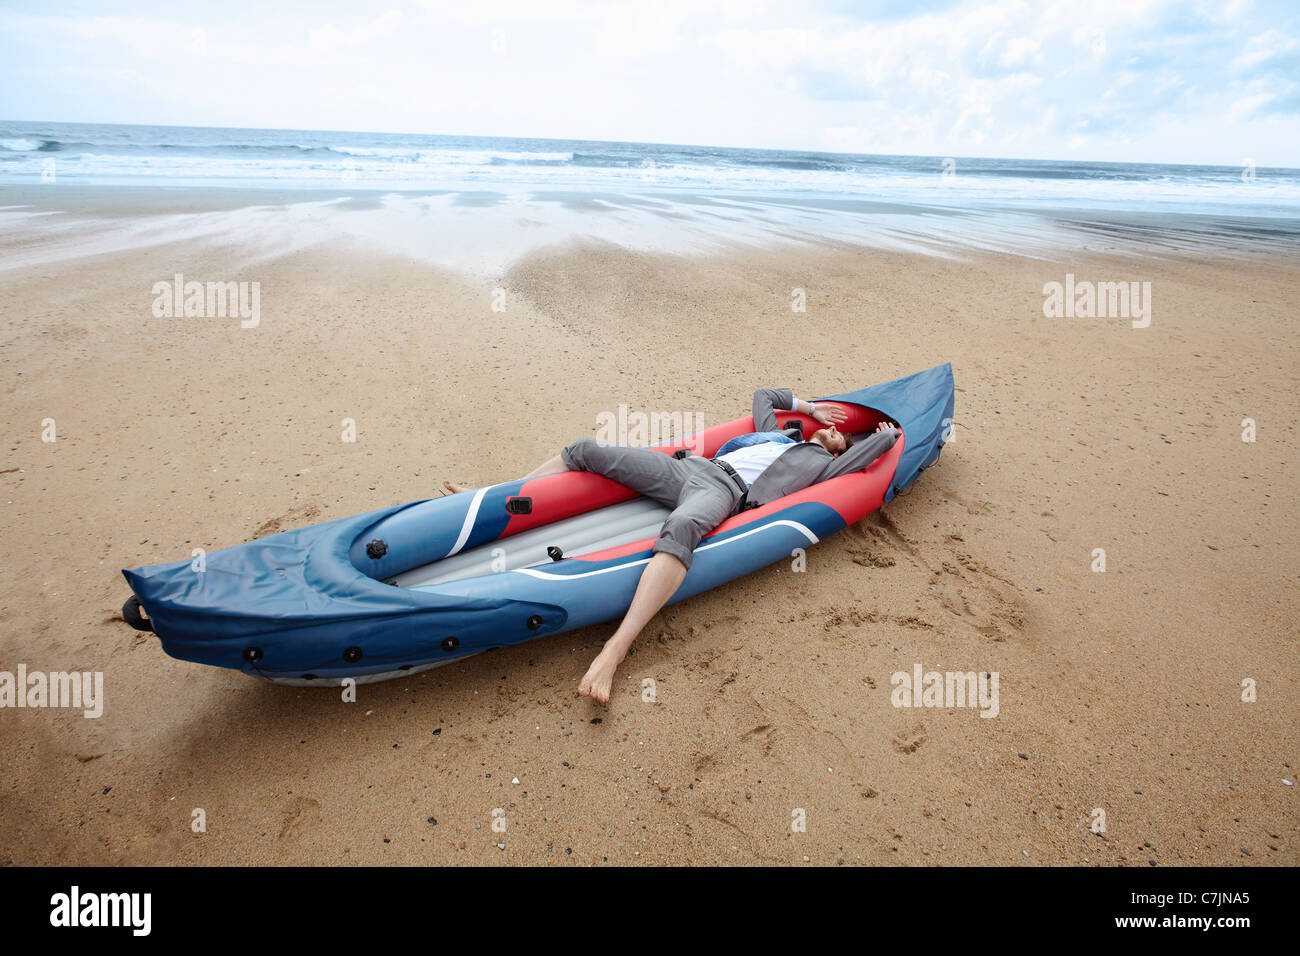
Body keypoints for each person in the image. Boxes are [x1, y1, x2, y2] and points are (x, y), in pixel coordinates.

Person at [444, 387, 899, 703]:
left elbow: (873, 451)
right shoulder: (780, 433)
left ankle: (615, 651)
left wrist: (887, 435)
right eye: (837, 430)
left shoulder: (822, 467)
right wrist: (811, 407)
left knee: (681, 528)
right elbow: (764, 395)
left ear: (839, 451)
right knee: (587, 449)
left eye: (842, 437)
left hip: (723, 493)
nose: (837, 433)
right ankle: (493, 499)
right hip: (689, 469)